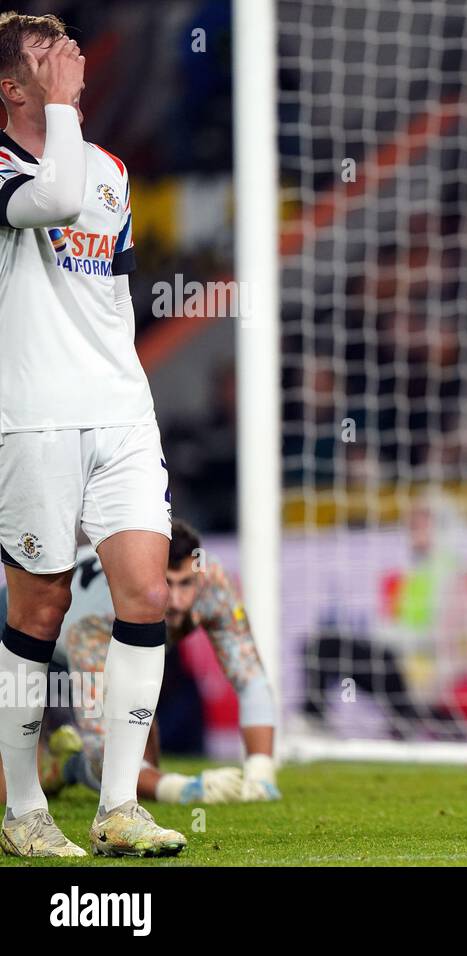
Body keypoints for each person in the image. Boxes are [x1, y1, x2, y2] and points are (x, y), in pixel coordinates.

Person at [0, 12, 183, 856]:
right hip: (33, 415)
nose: (69, 61)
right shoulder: (6, 165)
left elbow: (113, 297)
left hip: (118, 409)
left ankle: (117, 810)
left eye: (69, 48)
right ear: (12, 86)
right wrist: (65, 106)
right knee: (39, 609)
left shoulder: (110, 173)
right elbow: (56, 198)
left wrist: (127, 388)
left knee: (146, 595)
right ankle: (26, 811)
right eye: (46, 56)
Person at [0, 519, 280, 807]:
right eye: (167, 584)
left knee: (140, 741)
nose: (178, 602)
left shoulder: (212, 583)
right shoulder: (97, 625)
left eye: (186, 583)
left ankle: (66, 760)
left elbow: (250, 678)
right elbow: (103, 753)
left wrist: (261, 774)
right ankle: (70, 764)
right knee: (8, 791)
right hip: (17, 633)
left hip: (80, 636)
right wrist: (188, 789)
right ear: (148, 578)